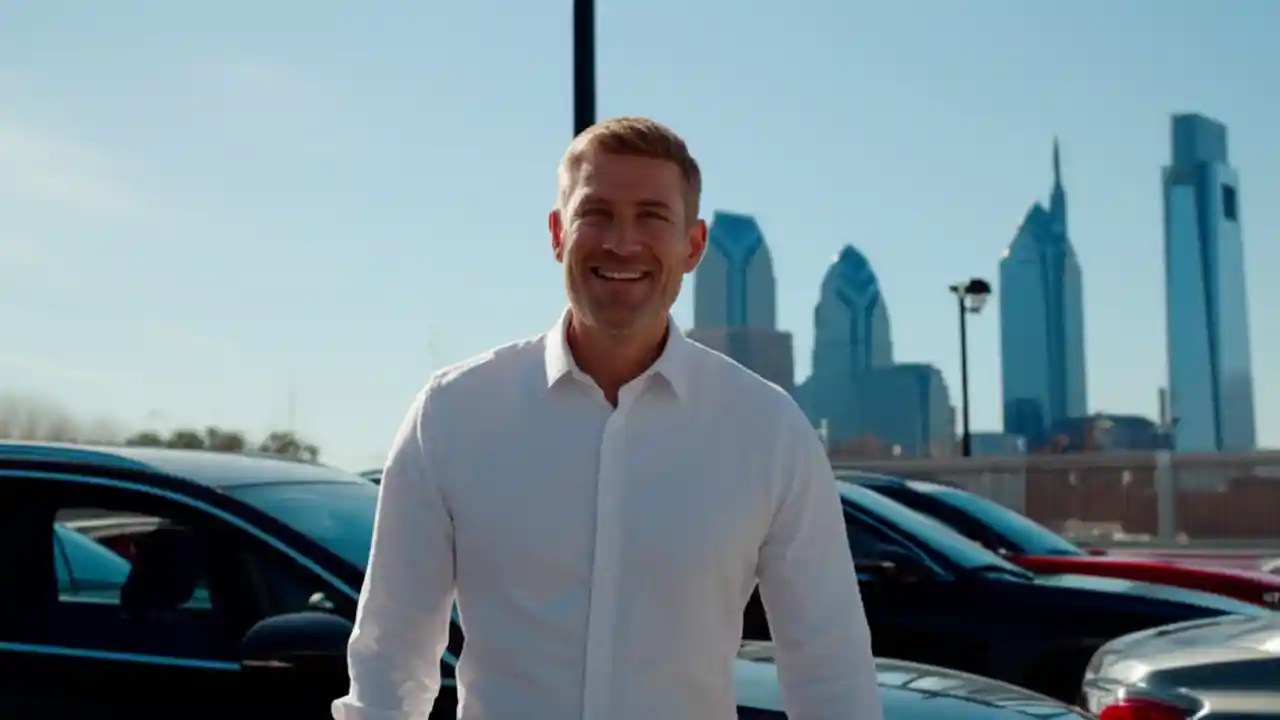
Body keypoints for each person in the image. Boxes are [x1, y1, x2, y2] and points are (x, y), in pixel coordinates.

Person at [332, 116, 882, 719]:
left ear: (692, 245)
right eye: (596, 213)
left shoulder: (768, 432)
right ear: (556, 233)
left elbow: (830, 670)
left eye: (652, 216)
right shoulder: (453, 414)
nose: (623, 242)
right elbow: (390, 661)